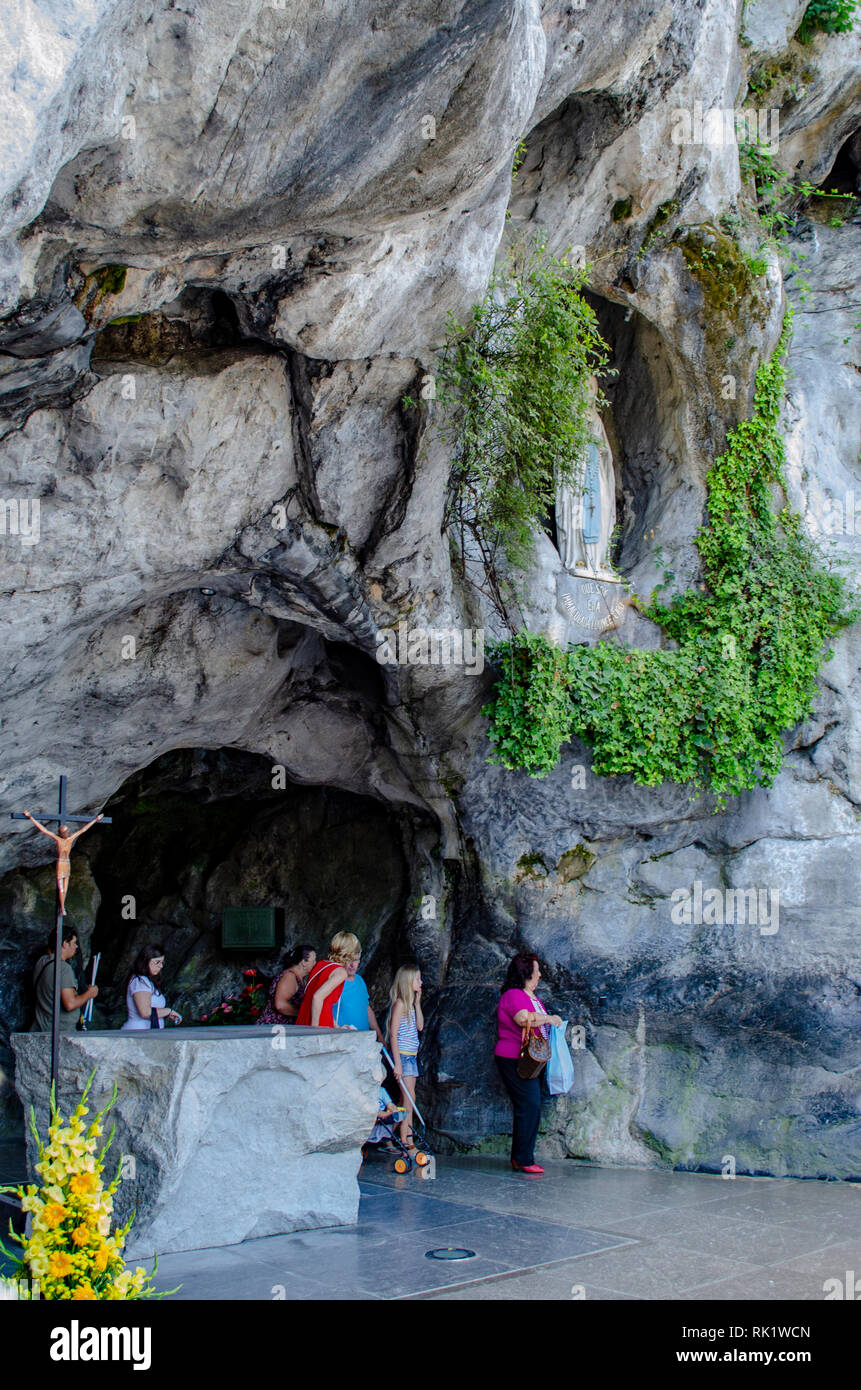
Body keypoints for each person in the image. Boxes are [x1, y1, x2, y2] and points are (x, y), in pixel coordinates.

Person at [495, 953, 563, 1174]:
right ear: (526, 973)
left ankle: (522, 1157)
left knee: (530, 1105)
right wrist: (550, 1018)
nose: (540, 974)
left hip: (527, 1058)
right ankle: (523, 1159)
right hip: (514, 1056)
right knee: (529, 1105)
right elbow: (523, 1019)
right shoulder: (514, 995)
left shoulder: (529, 996)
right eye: (536, 970)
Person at [31, 927, 98, 1033]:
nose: (76, 947)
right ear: (64, 944)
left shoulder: (42, 962)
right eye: (74, 943)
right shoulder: (63, 968)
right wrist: (90, 994)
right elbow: (70, 1004)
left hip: (40, 1027)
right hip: (59, 1033)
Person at [388, 965, 424, 1150]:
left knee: (406, 1100)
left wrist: (417, 1004)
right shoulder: (400, 1004)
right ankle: (406, 1140)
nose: (421, 982)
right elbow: (393, 1034)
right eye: (417, 979)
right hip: (403, 1056)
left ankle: (386, 1135)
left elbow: (419, 1026)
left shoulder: (410, 1005)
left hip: (412, 1056)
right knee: (410, 1099)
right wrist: (397, 1064)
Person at [295, 931, 360, 1027]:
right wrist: (314, 1029)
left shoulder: (320, 964)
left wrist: (337, 1027)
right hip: (318, 1024)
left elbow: (324, 1005)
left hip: (303, 1018)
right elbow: (317, 997)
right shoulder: (340, 972)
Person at [121, 946, 180, 1030]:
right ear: (145, 961)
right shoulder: (140, 981)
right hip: (138, 1032)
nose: (161, 966)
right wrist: (168, 1011)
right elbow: (145, 1012)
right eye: (157, 962)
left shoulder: (147, 981)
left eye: (162, 962)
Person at [257, 943, 316, 1025]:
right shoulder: (289, 977)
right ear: (304, 963)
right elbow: (280, 1005)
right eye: (313, 961)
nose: (315, 964)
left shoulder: (300, 979)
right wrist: (303, 1013)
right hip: (275, 1028)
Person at [334, 949, 385, 1042]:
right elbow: (324, 1009)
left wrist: (379, 1035)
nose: (352, 965)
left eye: (355, 960)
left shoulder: (359, 980)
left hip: (364, 1040)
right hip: (343, 1040)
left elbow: (366, 1008)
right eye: (349, 960)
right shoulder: (335, 981)